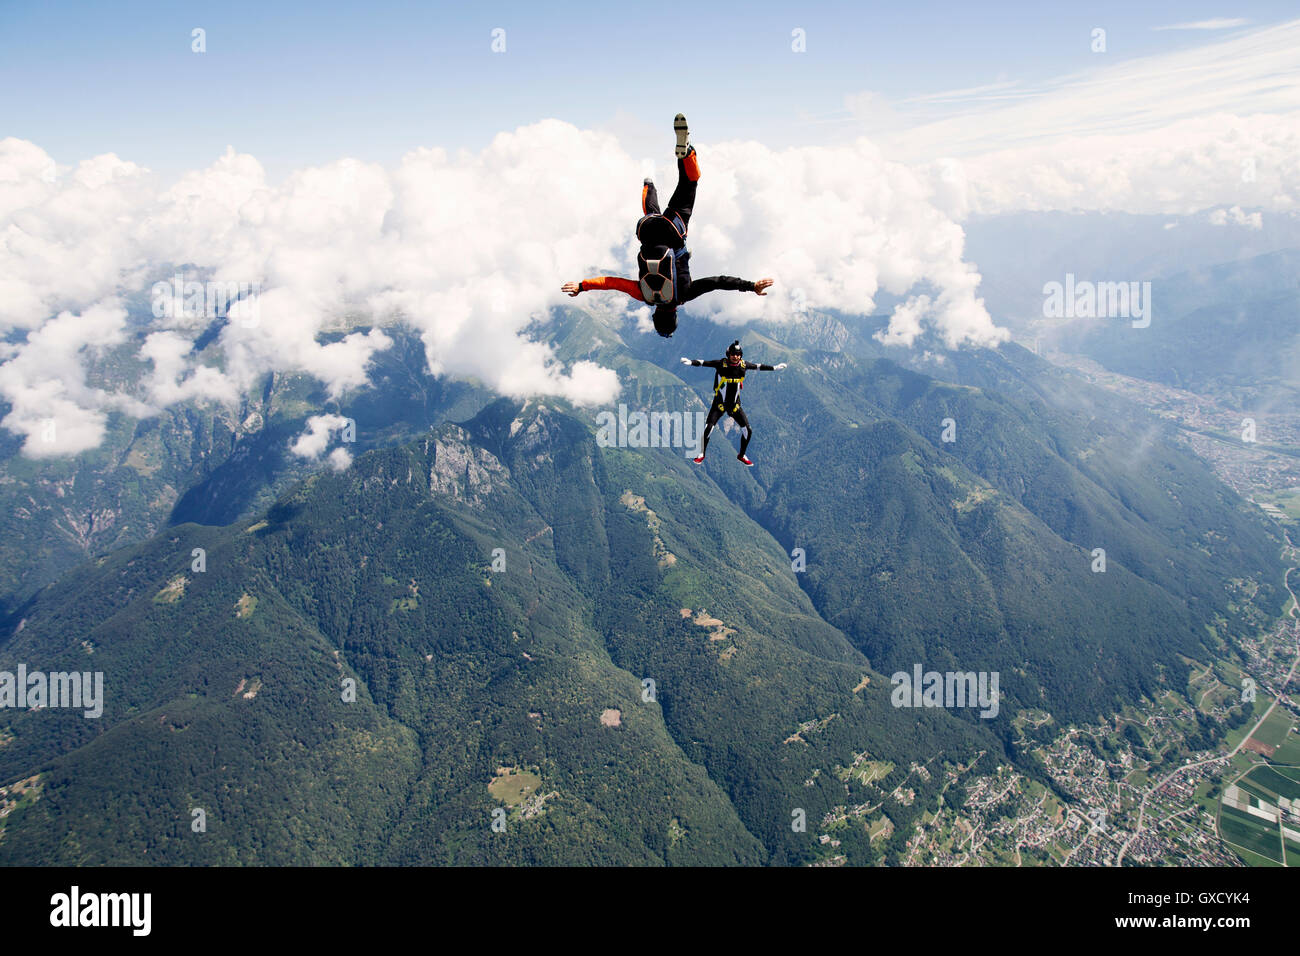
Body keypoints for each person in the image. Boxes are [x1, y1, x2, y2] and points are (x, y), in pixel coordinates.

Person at [561, 114, 773, 336]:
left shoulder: (684, 294)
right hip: (645, 231)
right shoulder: (644, 295)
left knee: (689, 183)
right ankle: (648, 182)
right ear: (655, 315)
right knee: (652, 213)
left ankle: (687, 152)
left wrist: (751, 286)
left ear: (675, 315)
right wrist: (582, 286)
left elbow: (718, 282)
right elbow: (611, 283)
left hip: (672, 231)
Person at [680, 340, 786, 465]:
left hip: (735, 405)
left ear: (741, 355)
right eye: (733, 354)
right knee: (708, 427)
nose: (735, 357)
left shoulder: (743, 365)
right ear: (728, 354)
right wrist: (691, 362)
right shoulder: (721, 364)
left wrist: (774, 368)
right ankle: (702, 453)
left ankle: (741, 455)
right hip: (719, 404)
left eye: (738, 354)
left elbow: (758, 366)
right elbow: (705, 363)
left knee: (748, 430)